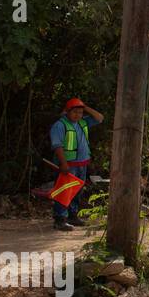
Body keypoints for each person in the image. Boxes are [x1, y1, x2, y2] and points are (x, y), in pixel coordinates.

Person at [49, 98, 103, 231]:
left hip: (81, 163)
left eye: (80, 112)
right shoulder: (60, 125)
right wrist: (63, 163)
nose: (77, 115)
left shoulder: (83, 122)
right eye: (75, 112)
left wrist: (85, 107)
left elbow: (100, 118)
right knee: (64, 191)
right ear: (68, 112)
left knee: (76, 191)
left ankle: (73, 215)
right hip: (69, 164)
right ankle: (59, 219)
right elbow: (57, 145)